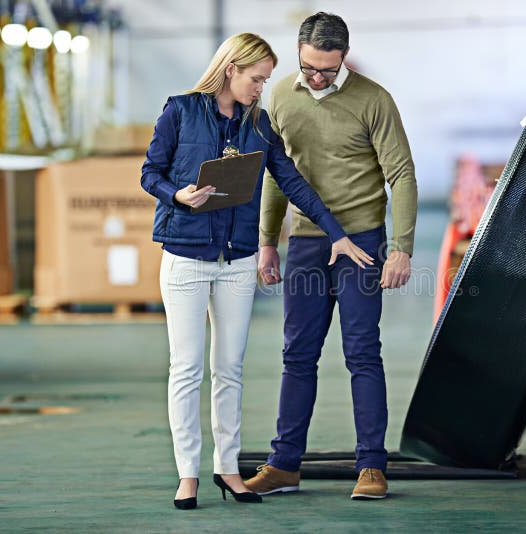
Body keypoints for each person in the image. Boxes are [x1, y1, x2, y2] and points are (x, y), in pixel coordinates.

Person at [140, 32, 372, 510]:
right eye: (257, 79)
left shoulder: (259, 124)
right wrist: (178, 195)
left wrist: (335, 233)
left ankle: (228, 468)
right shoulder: (180, 111)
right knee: (186, 369)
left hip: (237, 261)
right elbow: (150, 173)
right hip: (185, 257)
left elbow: (294, 183)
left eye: (266, 80)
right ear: (232, 69)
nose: (261, 88)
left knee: (229, 370)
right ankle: (188, 475)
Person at [244, 12, 418, 500]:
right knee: (297, 354)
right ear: (298, 53)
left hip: (361, 242)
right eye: (309, 67)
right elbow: (276, 172)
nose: (318, 77)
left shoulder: (374, 100)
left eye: (328, 69)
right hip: (305, 241)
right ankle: (284, 465)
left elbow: (402, 175)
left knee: (362, 351)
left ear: (344, 56)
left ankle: (371, 466)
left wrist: (400, 249)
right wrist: (266, 240)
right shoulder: (280, 95)